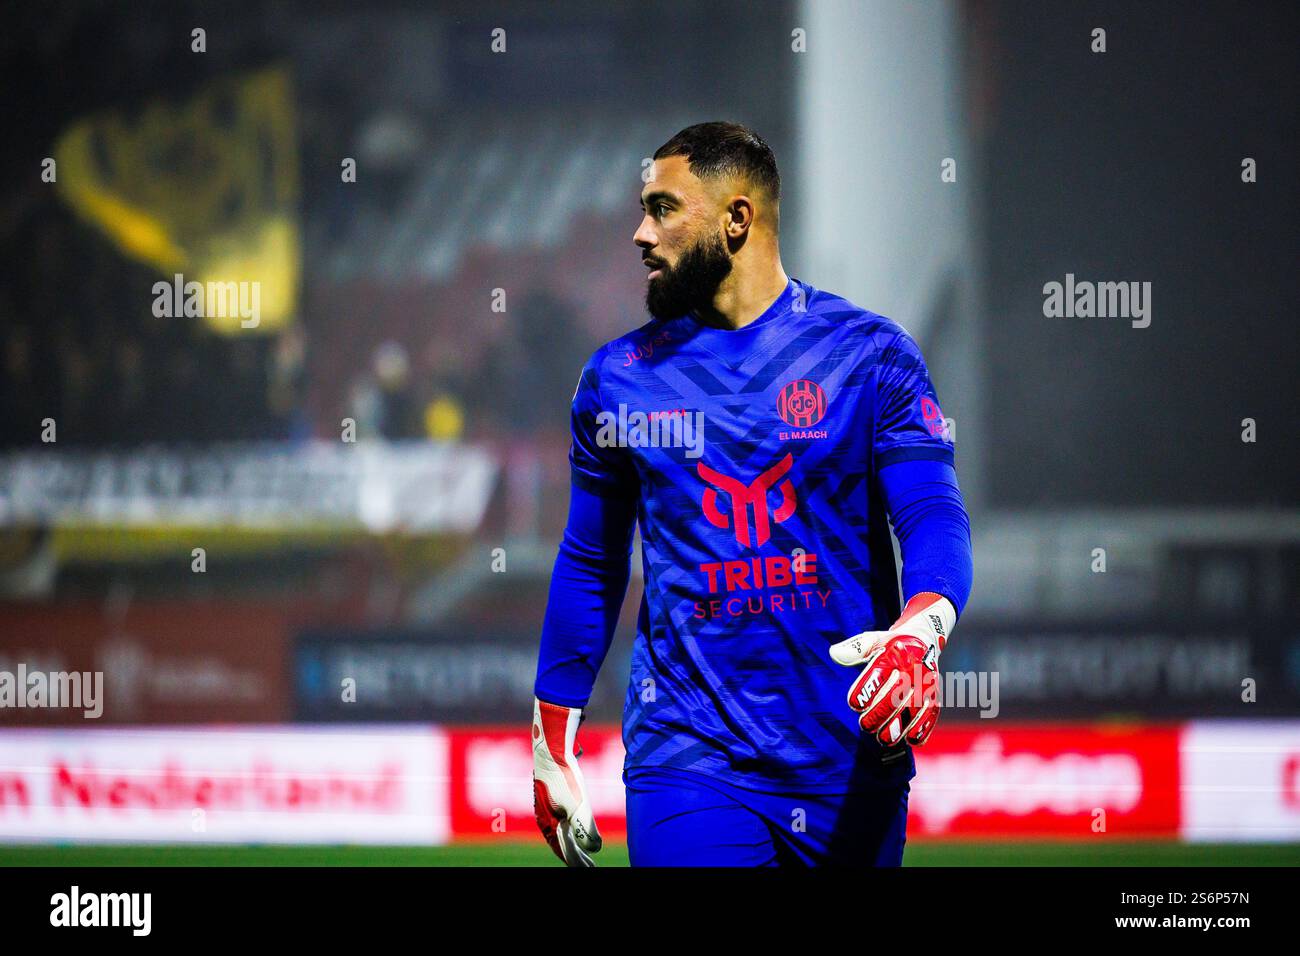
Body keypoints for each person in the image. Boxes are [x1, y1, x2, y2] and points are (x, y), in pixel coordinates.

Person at [531, 122, 973, 866]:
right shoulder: (617, 379)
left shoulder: (870, 356)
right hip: (687, 755)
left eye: (664, 208)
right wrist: (551, 737)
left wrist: (921, 630)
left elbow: (930, 512)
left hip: (850, 751)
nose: (641, 233)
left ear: (738, 219)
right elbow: (590, 563)